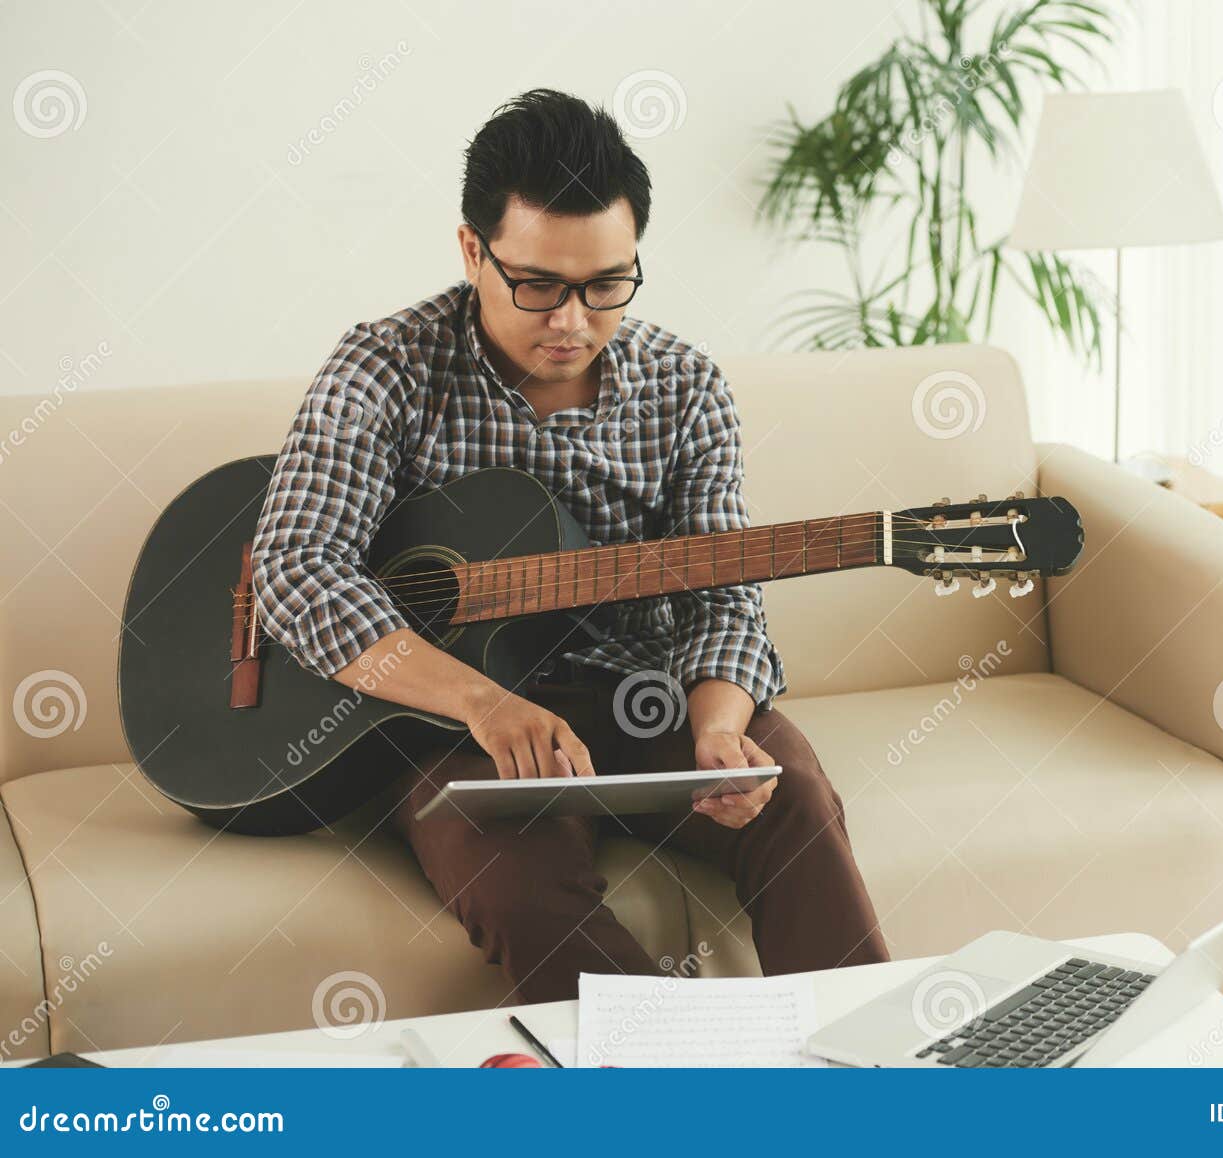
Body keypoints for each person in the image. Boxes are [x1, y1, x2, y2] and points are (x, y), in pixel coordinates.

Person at [250, 89, 889, 1002]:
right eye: (539, 285)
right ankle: (658, 1082)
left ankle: (874, 1070)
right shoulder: (386, 367)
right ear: (472, 251)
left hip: (645, 691)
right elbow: (296, 567)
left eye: (605, 286)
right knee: (524, 889)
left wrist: (718, 728)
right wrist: (482, 702)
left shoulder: (685, 385)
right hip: (450, 720)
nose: (572, 322)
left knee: (797, 807)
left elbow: (722, 595)